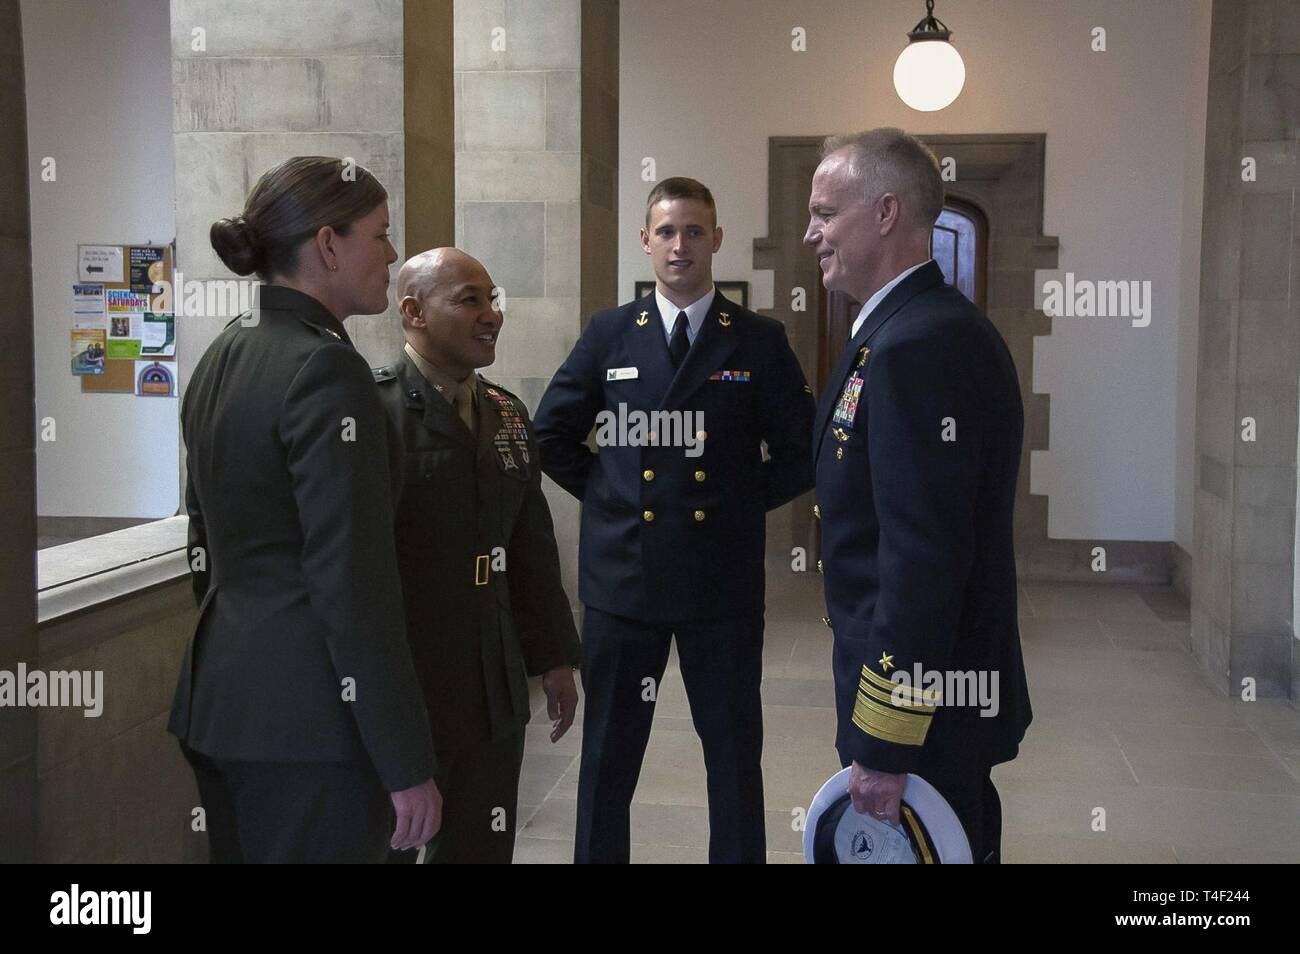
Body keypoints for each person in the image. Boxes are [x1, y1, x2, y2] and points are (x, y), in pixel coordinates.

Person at [535, 177, 815, 863]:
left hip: (719, 586)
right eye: (666, 231)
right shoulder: (610, 334)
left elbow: (803, 451)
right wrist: (612, 500)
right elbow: (552, 435)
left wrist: (737, 504)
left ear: (716, 240)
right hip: (624, 585)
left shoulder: (755, 339)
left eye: (694, 231)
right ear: (645, 242)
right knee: (607, 758)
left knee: (732, 755)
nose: (680, 245)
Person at [169, 155, 441, 863]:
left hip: (224, 701)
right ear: (327, 245)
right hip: (313, 721)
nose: (390, 254)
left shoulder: (223, 354)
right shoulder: (325, 368)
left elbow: (206, 540)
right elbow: (351, 581)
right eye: (380, 235)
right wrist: (405, 760)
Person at [803, 128, 1032, 863]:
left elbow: (921, 557)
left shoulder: (920, 344)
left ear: (885, 212)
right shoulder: (900, 331)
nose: (811, 232)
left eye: (825, 212)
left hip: (926, 708)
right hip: (927, 689)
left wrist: (883, 739)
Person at [375, 247, 581, 864]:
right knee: (390, 848)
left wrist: (555, 657)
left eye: (492, 299)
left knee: (482, 847)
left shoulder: (507, 414)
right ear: (413, 312)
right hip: (411, 685)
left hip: (492, 687)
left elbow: (530, 547)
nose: (491, 314)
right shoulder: (374, 413)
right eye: (469, 299)